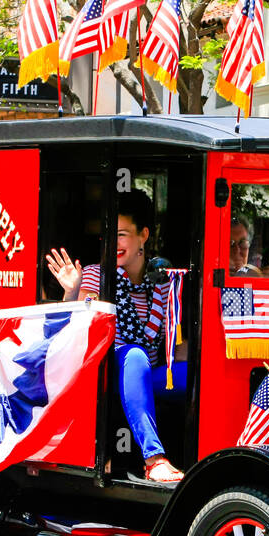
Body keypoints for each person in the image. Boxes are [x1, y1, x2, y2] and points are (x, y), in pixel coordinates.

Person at [47, 190, 183, 484]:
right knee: (134, 355)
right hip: (109, 373)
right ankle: (154, 459)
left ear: (143, 235)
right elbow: (72, 334)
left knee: (193, 371)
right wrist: (71, 293)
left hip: (152, 374)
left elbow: (177, 348)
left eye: (122, 234)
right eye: (109, 234)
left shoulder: (163, 284)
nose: (113, 243)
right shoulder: (96, 275)